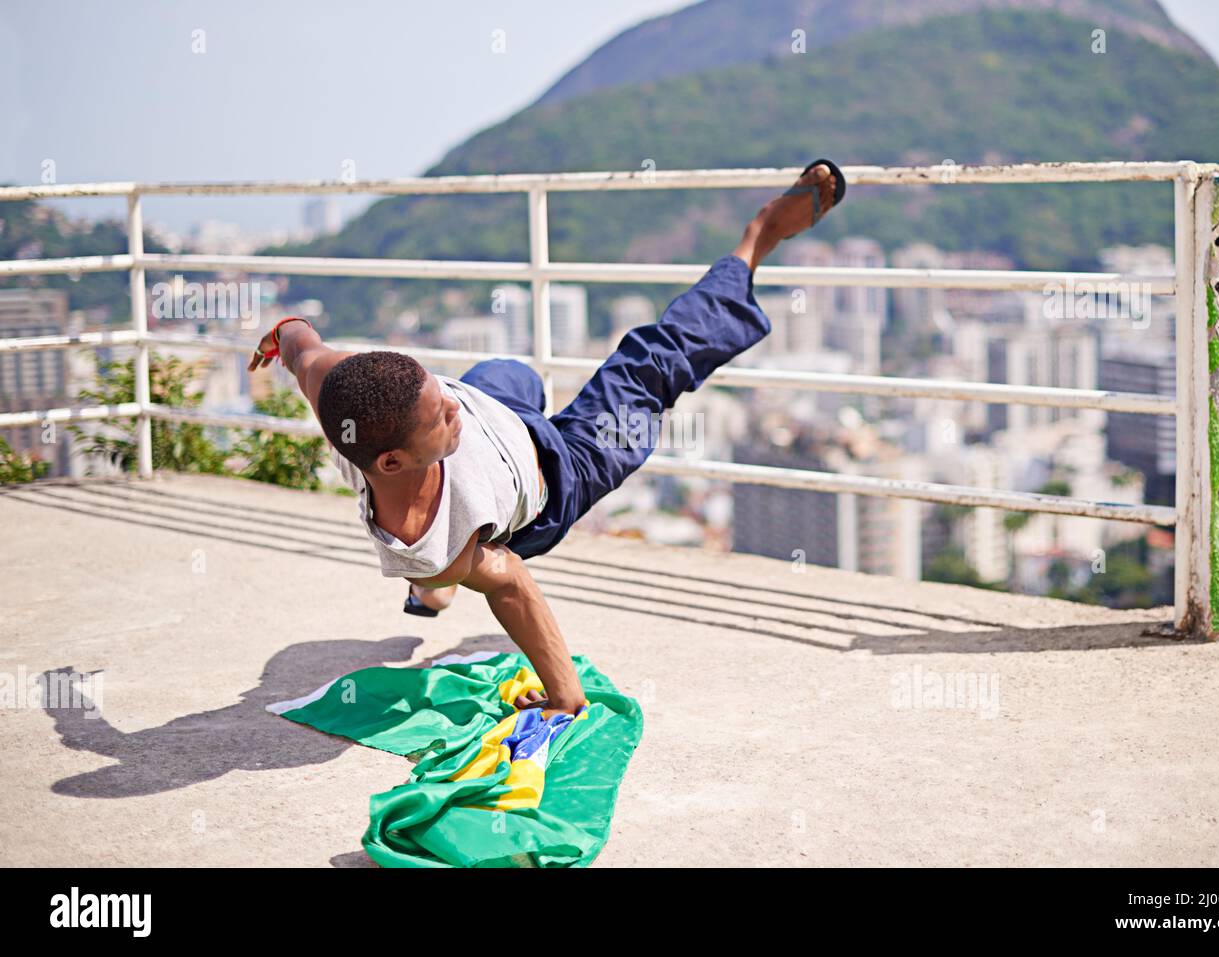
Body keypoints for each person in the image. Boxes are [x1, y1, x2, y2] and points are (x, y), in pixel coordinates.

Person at [248, 160, 845, 719]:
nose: (449, 409)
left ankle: (432, 590)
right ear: (393, 458)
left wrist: (285, 332)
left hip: (500, 406)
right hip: (559, 474)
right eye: (438, 418)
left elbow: (300, 341)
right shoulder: (436, 538)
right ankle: (756, 238)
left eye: (439, 395)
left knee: (511, 372)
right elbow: (514, 592)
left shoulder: (338, 392)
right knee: (650, 364)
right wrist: (564, 699)